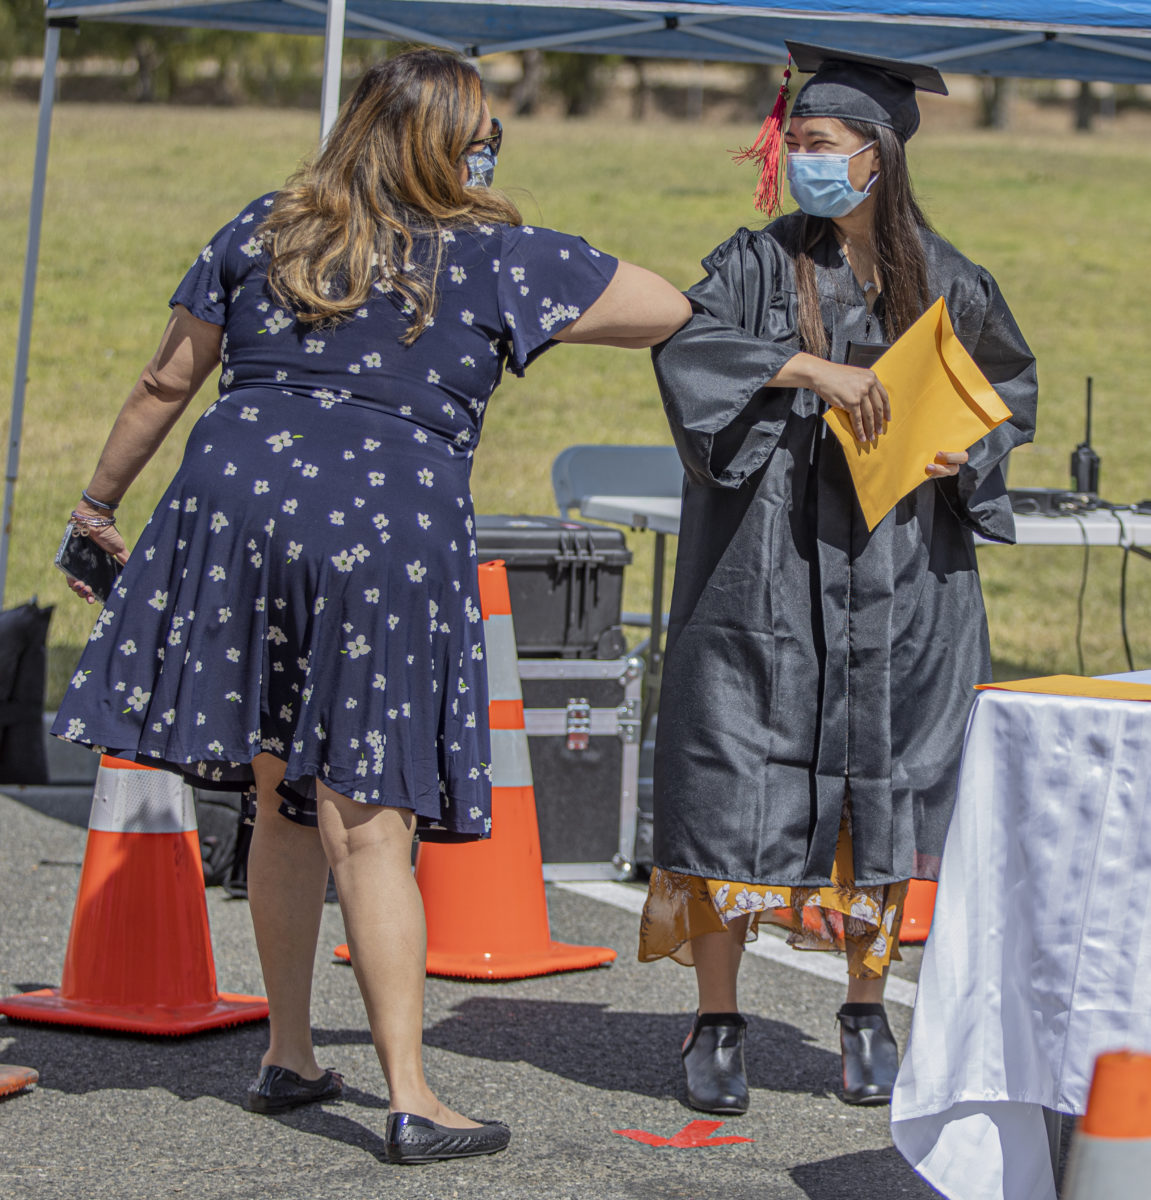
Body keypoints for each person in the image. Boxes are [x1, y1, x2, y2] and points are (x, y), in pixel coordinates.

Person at [52, 48, 690, 1164]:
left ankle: (289, 1053)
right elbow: (665, 309)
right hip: (379, 529)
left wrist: (98, 506)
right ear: (451, 142)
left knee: (277, 789)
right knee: (370, 820)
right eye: (484, 130)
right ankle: (410, 1096)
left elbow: (166, 380)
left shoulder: (265, 228)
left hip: (236, 509)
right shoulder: (493, 253)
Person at [639, 42, 1038, 1113]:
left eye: (817, 145)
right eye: (796, 142)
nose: (797, 160)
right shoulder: (755, 265)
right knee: (731, 789)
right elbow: (684, 349)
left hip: (903, 586)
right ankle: (715, 1020)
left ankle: (865, 1009)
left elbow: (1004, 394)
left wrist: (970, 451)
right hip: (763, 585)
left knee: (885, 799)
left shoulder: (948, 281)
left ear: (878, 155)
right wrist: (803, 367)